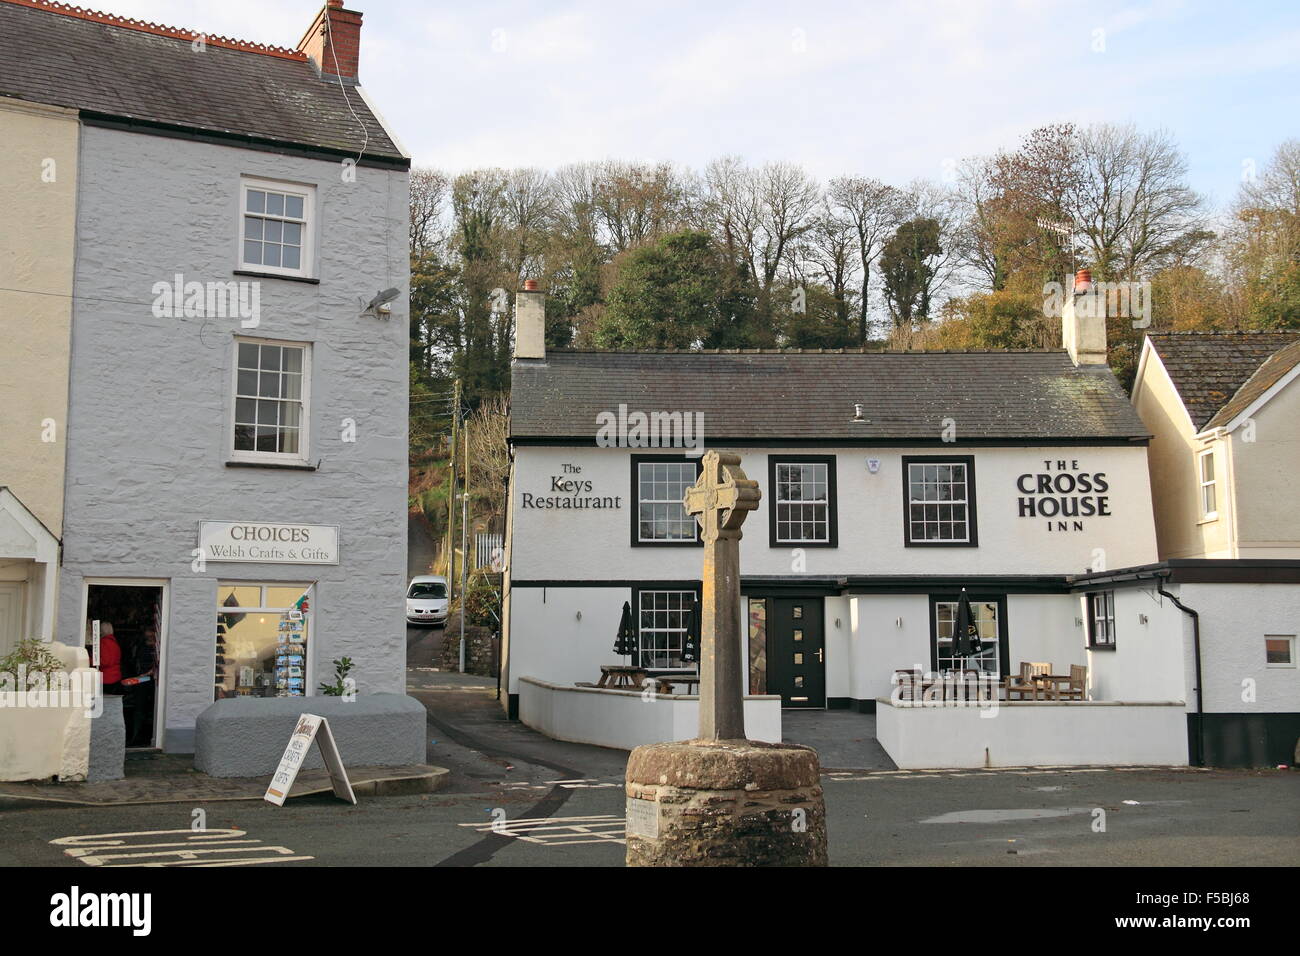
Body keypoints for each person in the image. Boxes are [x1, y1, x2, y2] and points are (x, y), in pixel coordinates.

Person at [94, 622, 123, 695]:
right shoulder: (114, 643)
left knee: (103, 702)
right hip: (116, 677)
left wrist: (90, 660)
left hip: (106, 678)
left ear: (101, 631)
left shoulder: (103, 642)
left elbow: (105, 661)